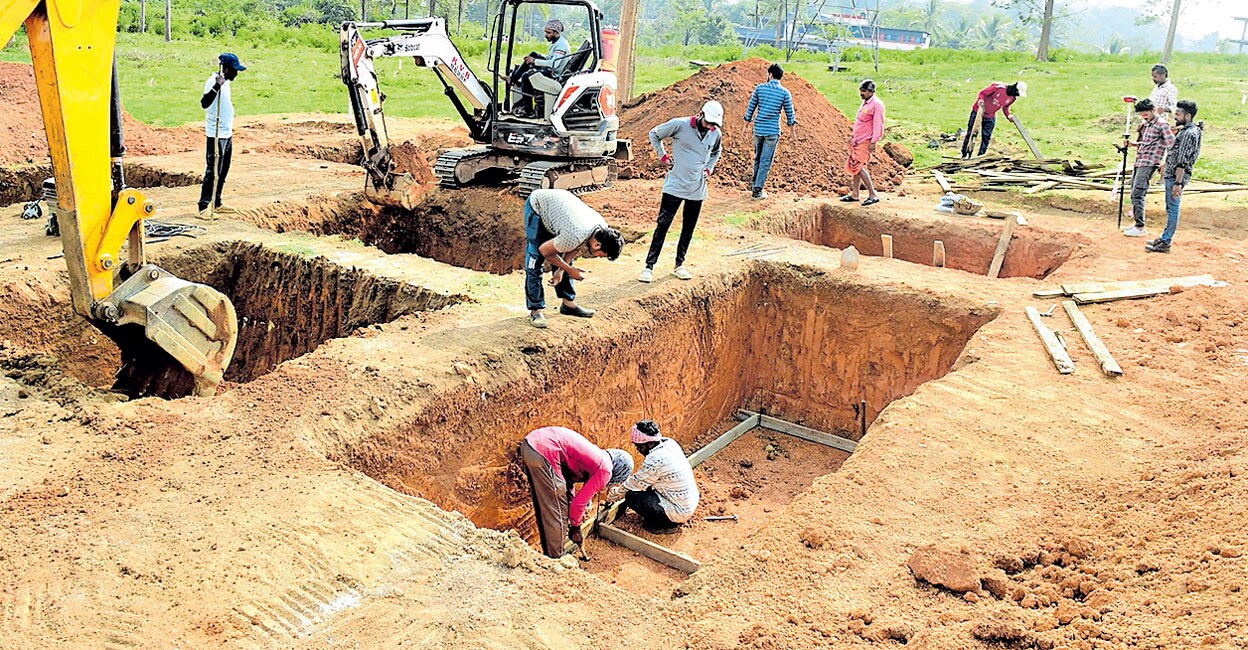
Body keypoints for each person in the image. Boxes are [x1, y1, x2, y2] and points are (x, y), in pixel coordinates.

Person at [639, 101, 723, 283]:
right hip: (675, 186)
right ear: (700, 114)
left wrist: (709, 169)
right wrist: (663, 156)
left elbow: (716, 152)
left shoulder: (715, 133)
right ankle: (649, 266)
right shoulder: (679, 125)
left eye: (713, 124)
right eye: (708, 122)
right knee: (663, 225)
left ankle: (679, 265)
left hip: (697, 189)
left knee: (688, 229)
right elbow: (654, 134)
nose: (710, 126)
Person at [519, 427, 633, 558]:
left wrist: (571, 504)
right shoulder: (605, 470)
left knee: (552, 508)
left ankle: (550, 555)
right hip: (544, 452)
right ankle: (556, 561)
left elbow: (568, 481)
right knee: (558, 514)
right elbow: (578, 504)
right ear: (620, 471)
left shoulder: (597, 456)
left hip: (530, 446)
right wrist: (576, 528)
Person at [523, 188, 624, 328]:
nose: (600, 257)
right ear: (597, 245)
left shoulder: (601, 228)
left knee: (564, 258)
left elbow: (574, 246)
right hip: (538, 206)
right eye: (602, 255)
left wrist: (561, 270)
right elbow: (544, 251)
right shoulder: (574, 235)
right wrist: (569, 270)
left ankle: (568, 304)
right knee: (534, 260)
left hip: (560, 212)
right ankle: (536, 310)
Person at [612, 420, 699, 535]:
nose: (638, 450)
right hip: (689, 502)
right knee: (646, 487)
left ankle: (666, 525)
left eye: (639, 446)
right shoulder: (669, 443)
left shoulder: (655, 459)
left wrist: (614, 494)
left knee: (632, 496)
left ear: (649, 443)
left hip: (679, 511)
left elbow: (634, 484)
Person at [1146, 100, 1202, 253]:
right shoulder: (1189, 130)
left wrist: (1178, 183)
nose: (1175, 117)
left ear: (1188, 115)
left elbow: (1182, 161)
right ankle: (1165, 238)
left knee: (1172, 209)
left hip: (1175, 177)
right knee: (1171, 207)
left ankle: (1166, 241)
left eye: (1178, 114)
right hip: (1173, 175)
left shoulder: (1189, 134)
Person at [198, 53, 245, 220]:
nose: (236, 74)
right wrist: (216, 86)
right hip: (216, 134)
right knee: (213, 171)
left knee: (223, 170)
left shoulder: (226, 82)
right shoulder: (213, 81)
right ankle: (203, 206)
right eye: (234, 70)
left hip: (227, 133)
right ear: (225, 69)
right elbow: (204, 103)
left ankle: (217, 202)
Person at [743, 63, 796, 201]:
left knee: (757, 158)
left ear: (770, 74)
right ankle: (757, 191)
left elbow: (750, 108)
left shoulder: (759, 89)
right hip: (772, 132)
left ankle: (755, 186)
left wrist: (745, 127)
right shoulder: (785, 93)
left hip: (758, 130)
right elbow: (790, 114)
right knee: (765, 161)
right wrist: (793, 133)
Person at [1122, 98, 1174, 238]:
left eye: (1146, 114)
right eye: (1141, 114)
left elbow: (1171, 145)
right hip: (1140, 160)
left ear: (1153, 110)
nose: (1143, 117)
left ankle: (1140, 227)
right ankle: (1136, 223)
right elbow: (1147, 143)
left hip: (1150, 162)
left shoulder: (1162, 125)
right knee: (1133, 191)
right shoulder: (1146, 124)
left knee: (1137, 193)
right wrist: (1133, 144)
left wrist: (1166, 163)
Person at [511, 20, 571, 118]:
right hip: (552, 69)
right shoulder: (557, 42)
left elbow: (554, 64)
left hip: (554, 73)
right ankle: (513, 78)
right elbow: (551, 58)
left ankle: (528, 109)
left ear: (556, 32)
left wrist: (534, 61)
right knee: (533, 54)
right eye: (545, 32)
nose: (546, 35)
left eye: (548, 33)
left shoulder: (561, 45)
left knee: (526, 76)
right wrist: (535, 58)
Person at [842, 79, 884, 207]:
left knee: (858, 167)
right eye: (861, 90)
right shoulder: (865, 103)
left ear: (871, 92)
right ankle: (855, 194)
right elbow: (860, 122)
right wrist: (853, 136)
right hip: (857, 140)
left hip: (865, 141)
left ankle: (873, 194)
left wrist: (874, 141)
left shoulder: (876, 105)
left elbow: (878, 124)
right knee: (855, 166)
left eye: (864, 91)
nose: (861, 93)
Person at [960, 81, 1026, 158]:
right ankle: (964, 153)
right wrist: (981, 100)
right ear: (1015, 89)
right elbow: (982, 93)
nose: (1018, 95)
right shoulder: (998, 88)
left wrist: (1008, 115)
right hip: (978, 112)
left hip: (990, 115)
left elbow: (1005, 107)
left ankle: (981, 156)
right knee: (971, 133)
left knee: (986, 136)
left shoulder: (1013, 98)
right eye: (1018, 93)